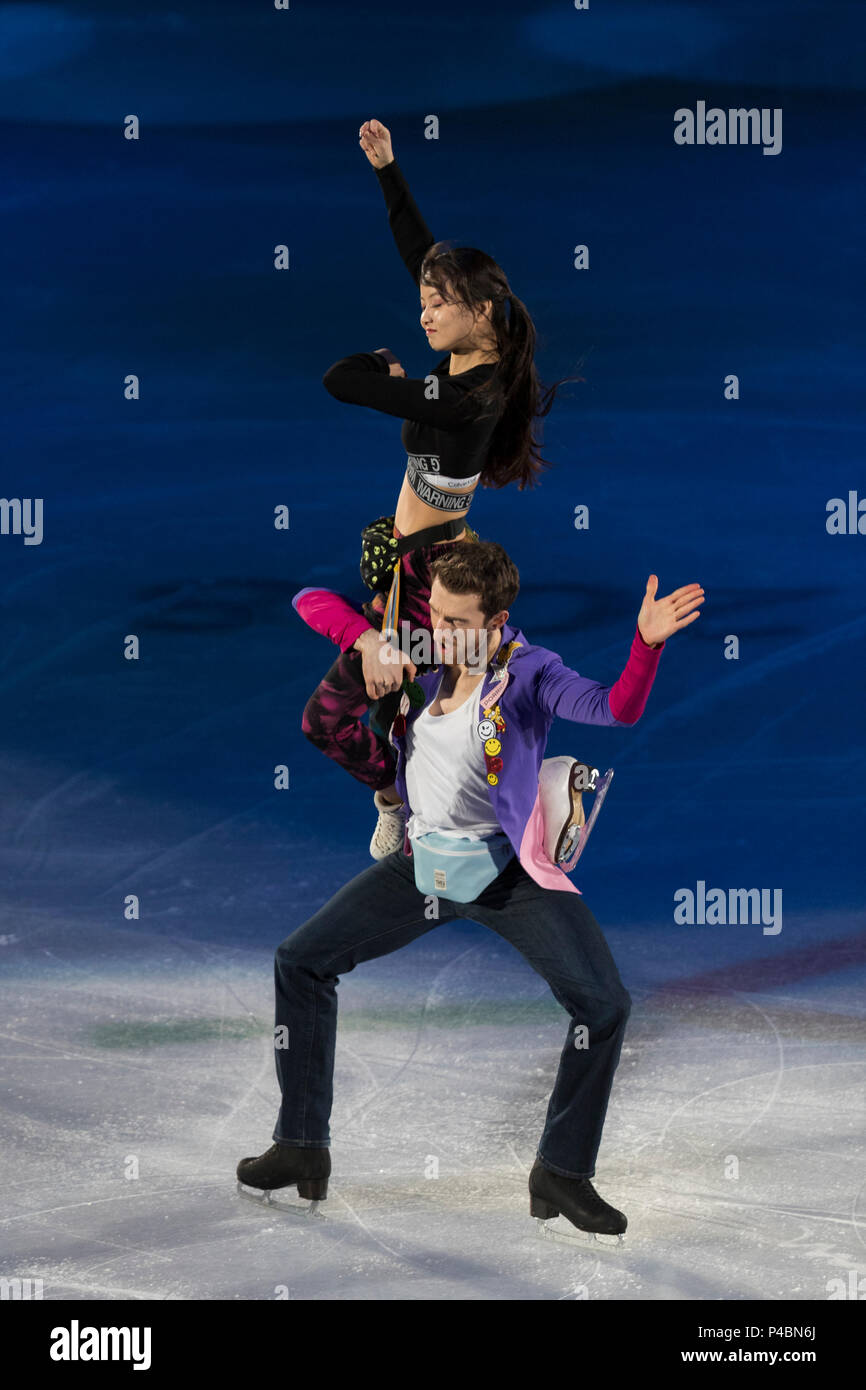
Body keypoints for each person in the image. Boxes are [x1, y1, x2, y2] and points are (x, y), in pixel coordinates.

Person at [238, 540, 705, 1239]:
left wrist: (644, 644)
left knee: (603, 1005)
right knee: (301, 960)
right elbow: (309, 602)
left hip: (506, 876)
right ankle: (302, 1143)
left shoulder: (529, 673)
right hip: (421, 868)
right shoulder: (424, 650)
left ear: (498, 618)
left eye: (461, 623)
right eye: (440, 617)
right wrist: (370, 639)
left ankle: (562, 1173)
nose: (445, 634)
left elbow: (617, 710)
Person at [295, 117, 583, 858]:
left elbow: (337, 381)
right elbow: (420, 248)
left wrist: (383, 366)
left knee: (353, 717)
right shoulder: (462, 367)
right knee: (396, 713)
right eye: (422, 301)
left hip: (432, 580)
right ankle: (407, 801)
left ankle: (523, 806)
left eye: (437, 304)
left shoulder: (462, 398)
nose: (423, 311)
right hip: (407, 562)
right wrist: (389, 170)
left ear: (479, 311)